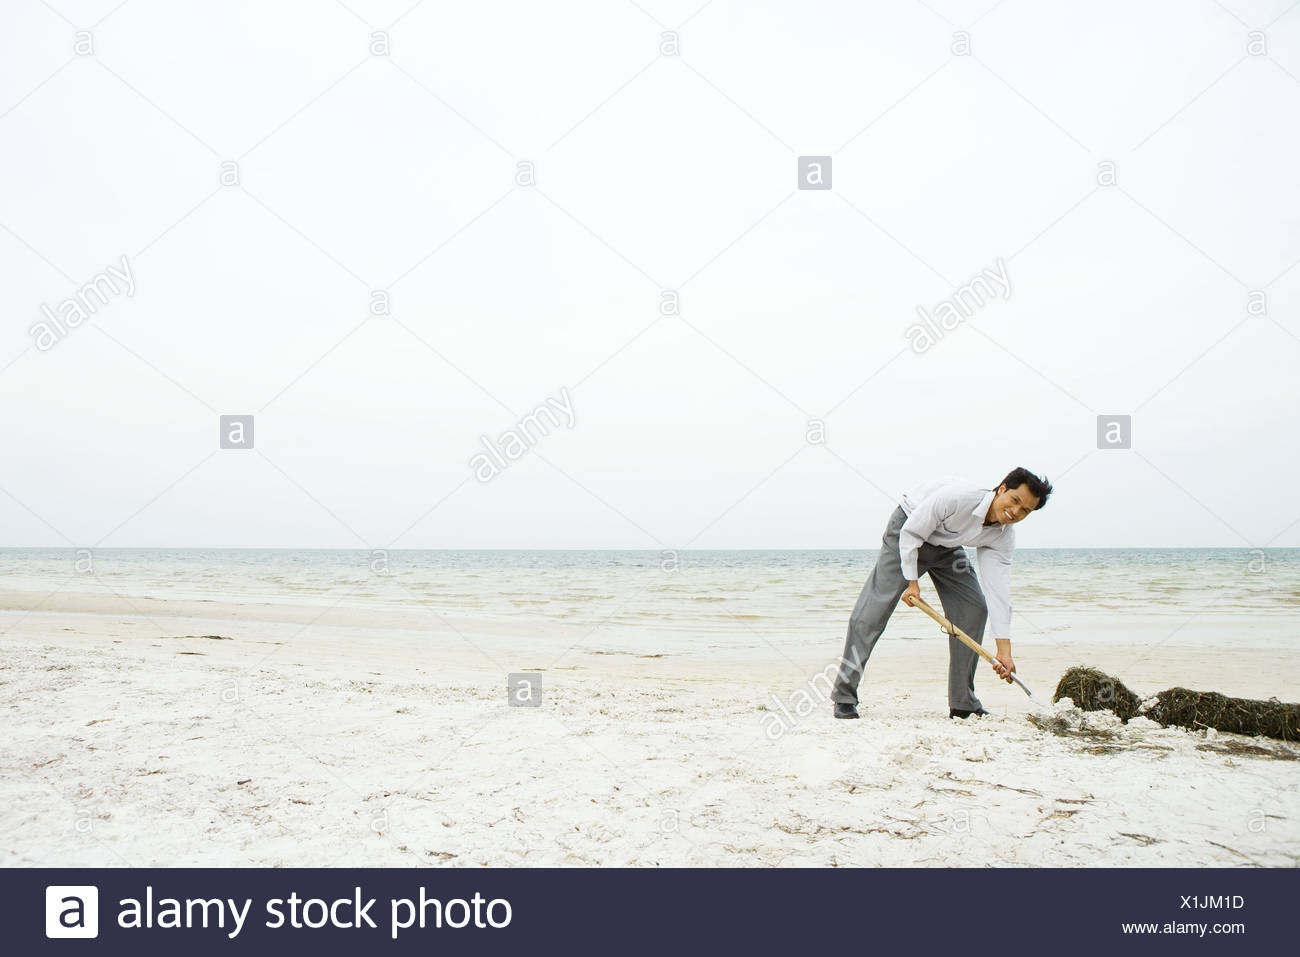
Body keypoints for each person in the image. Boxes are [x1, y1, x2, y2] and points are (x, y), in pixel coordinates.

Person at [831, 468, 1052, 720]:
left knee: (974, 608)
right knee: (873, 612)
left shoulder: (1002, 537)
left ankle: (963, 703)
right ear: (1001, 488)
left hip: (946, 546)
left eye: (1025, 511)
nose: (1016, 512)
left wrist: (1004, 651)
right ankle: (844, 695)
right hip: (907, 529)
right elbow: (912, 533)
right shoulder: (958, 498)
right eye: (1015, 501)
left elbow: (998, 592)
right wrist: (912, 582)